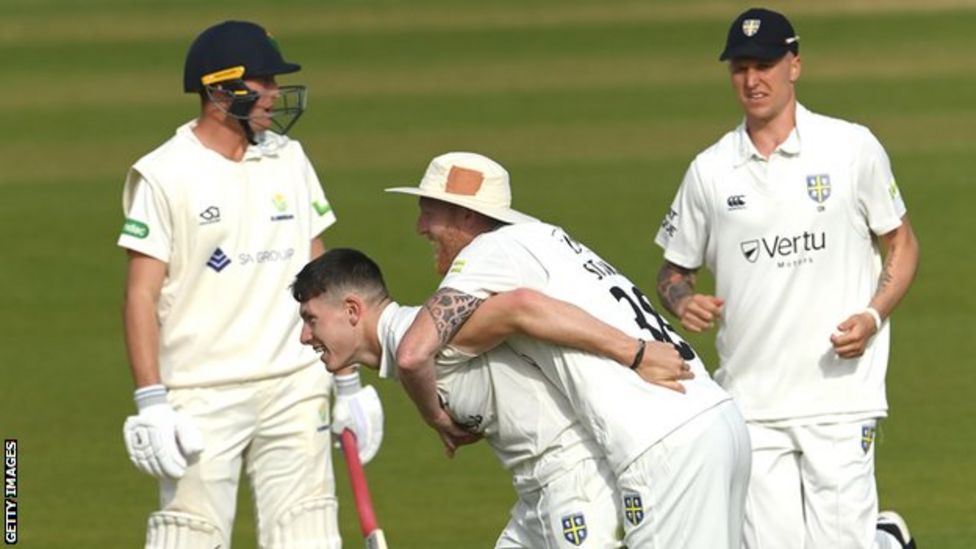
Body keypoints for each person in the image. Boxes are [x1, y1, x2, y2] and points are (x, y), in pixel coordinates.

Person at [653, 8, 920, 549]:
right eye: (740, 68)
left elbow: (902, 243)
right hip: (751, 401)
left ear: (794, 65)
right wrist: (682, 301)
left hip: (839, 395)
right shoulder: (710, 170)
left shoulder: (850, 148)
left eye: (765, 65)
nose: (752, 80)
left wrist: (872, 317)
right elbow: (674, 270)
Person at [388, 151, 752, 548]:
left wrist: (436, 416)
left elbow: (413, 352)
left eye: (429, 212)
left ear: (466, 215)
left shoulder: (488, 251)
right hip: (716, 418)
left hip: (664, 441)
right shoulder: (547, 238)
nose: (420, 227)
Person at [117, 21, 382, 549]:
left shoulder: (289, 158)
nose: (276, 93)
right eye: (264, 81)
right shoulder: (164, 173)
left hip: (295, 384)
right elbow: (140, 295)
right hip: (201, 391)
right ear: (220, 89)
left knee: (308, 535)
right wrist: (151, 401)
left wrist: (347, 380)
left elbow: (321, 276)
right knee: (189, 537)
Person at [292, 248, 691, 548]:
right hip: (537, 495)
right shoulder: (411, 348)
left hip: (577, 485)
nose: (305, 336)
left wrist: (635, 352)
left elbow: (519, 306)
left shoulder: (427, 338)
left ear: (352, 310)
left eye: (311, 319)